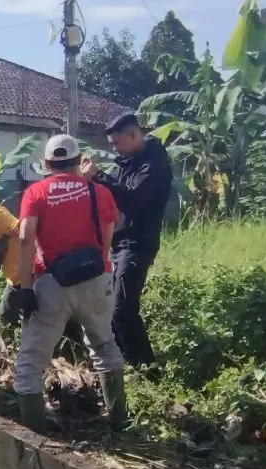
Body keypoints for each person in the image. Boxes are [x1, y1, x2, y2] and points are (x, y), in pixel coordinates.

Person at [9, 134, 127, 433]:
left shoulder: (35, 193)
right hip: (97, 278)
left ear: (47, 164)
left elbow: (24, 238)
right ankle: (119, 421)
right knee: (104, 346)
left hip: (51, 283)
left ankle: (34, 433)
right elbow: (109, 235)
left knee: (31, 363)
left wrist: (24, 288)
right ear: (78, 162)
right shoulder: (99, 193)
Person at [81, 113, 172, 368]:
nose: (114, 149)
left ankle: (148, 371)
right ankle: (124, 365)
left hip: (137, 244)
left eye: (117, 142)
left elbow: (133, 199)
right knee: (110, 308)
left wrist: (99, 177)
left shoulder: (155, 165)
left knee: (122, 309)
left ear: (134, 135)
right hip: (118, 243)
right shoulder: (126, 162)